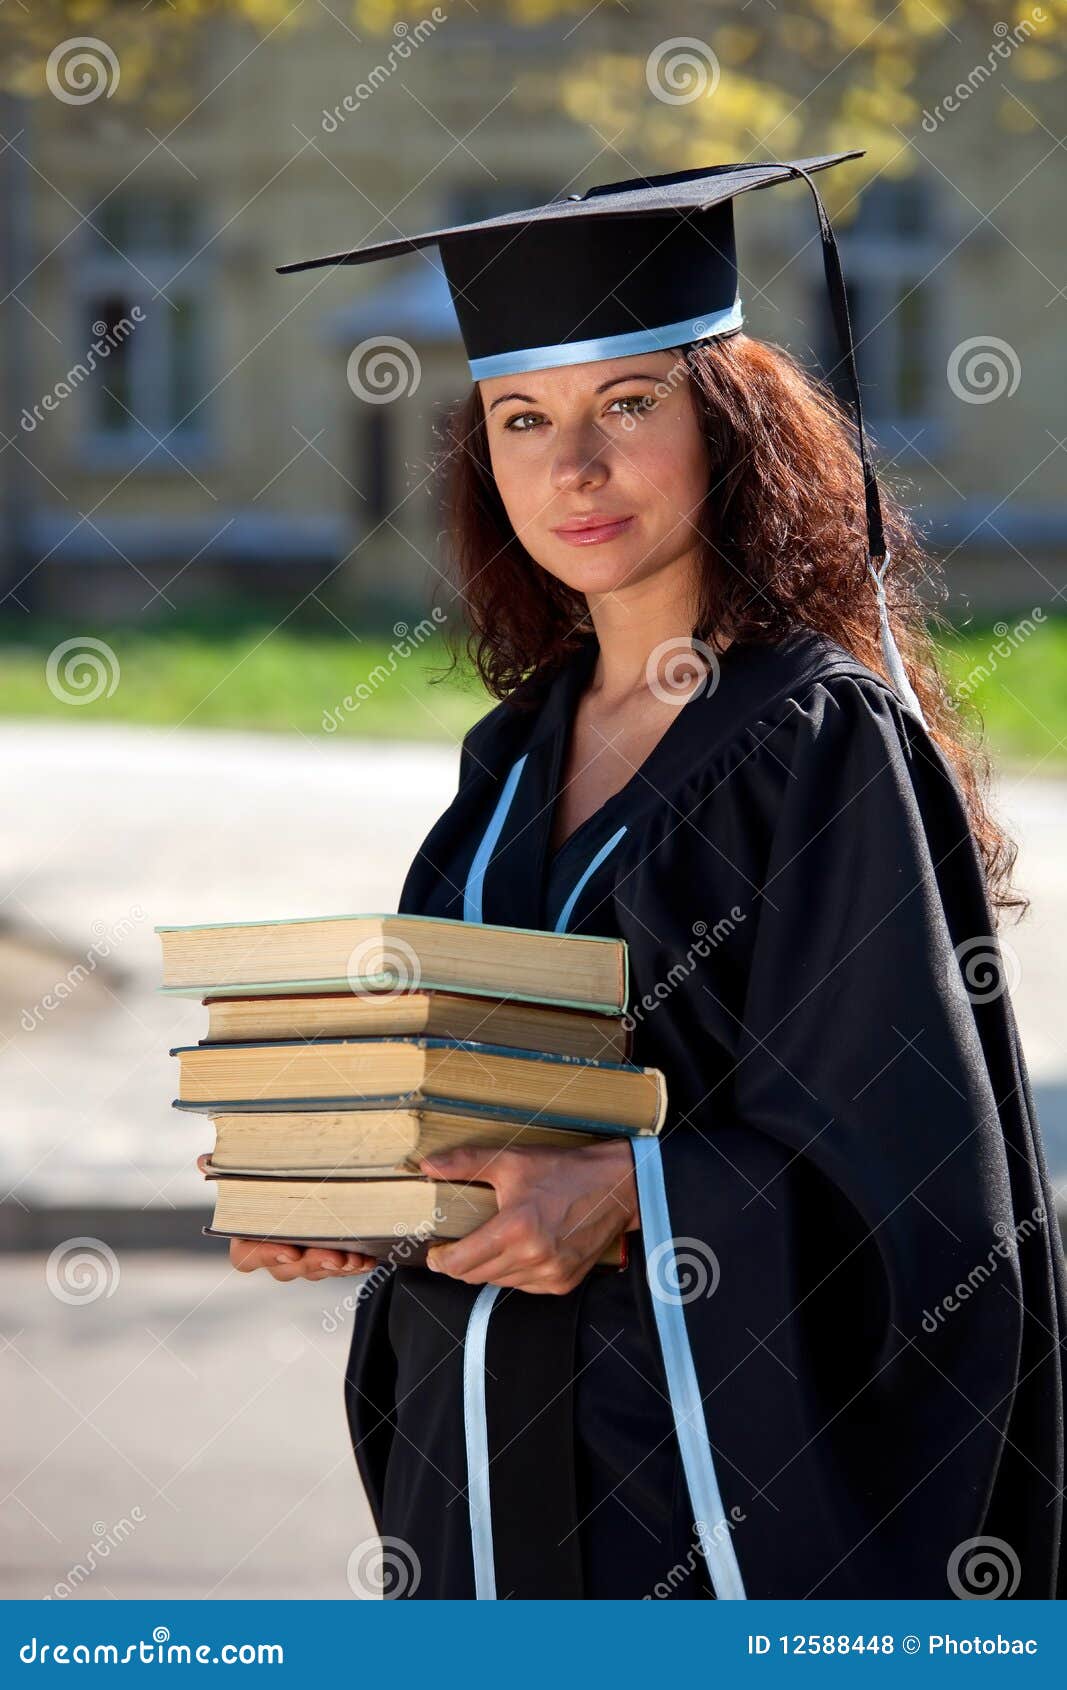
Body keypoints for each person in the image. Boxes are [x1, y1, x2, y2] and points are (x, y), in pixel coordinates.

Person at [225, 156, 1066, 1599]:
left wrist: (632, 1196)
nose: (575, 469)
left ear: (728, 421)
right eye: (523, 419)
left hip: (694, 1517)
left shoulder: (818, 739)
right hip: (490, 1485)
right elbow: (477, 1087)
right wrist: (358, 1187)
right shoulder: (512, 759)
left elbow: (917, 1187)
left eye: (629, 405)